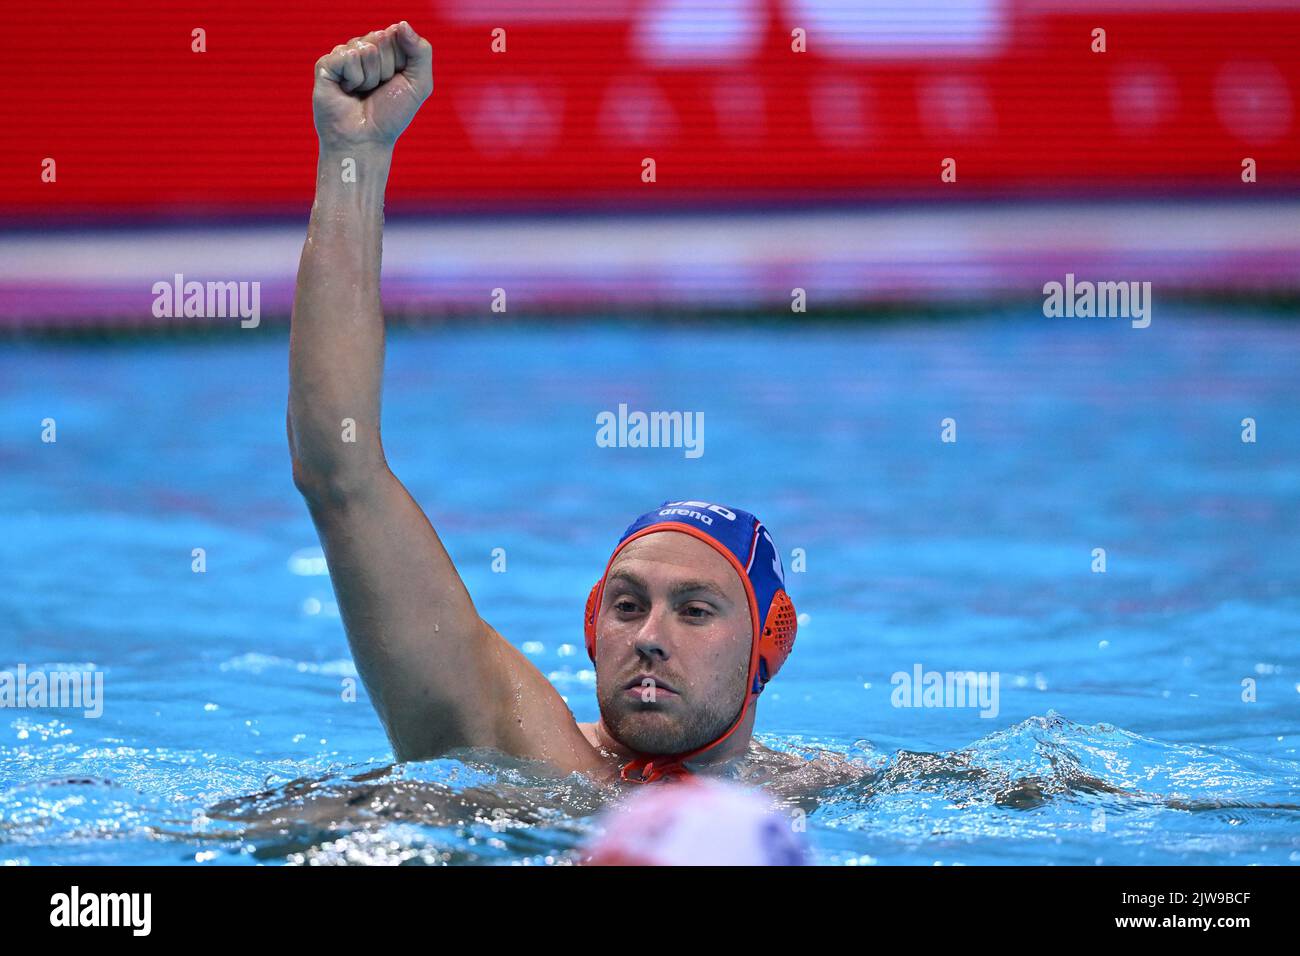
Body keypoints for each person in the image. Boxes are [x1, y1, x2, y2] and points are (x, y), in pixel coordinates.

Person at [289, 22, 808, 786]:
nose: (650, 639)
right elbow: (340, 471)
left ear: (770, 643)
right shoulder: (522, 747)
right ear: (593, 627)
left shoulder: (832, 795)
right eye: (627, 607)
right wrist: (353, 158)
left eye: (695, 611)